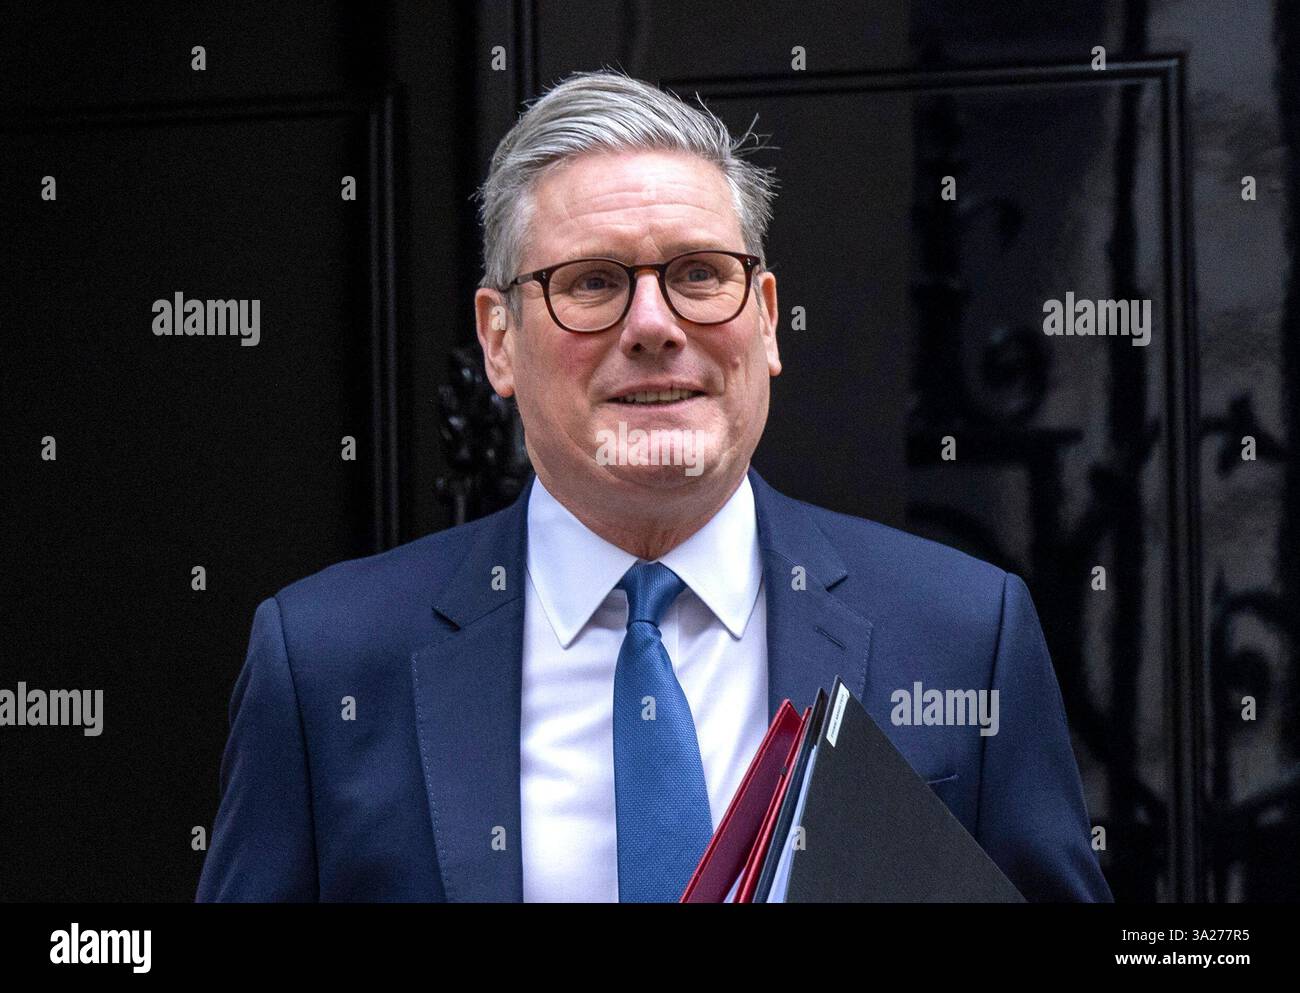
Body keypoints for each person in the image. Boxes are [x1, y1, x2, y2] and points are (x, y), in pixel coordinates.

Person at [196, 68, 1112, 903]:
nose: (653, 325)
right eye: (592, 283)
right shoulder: (324, 661)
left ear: (763, 319)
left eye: (699, 274)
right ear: (499, 340)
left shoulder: (963, 634)